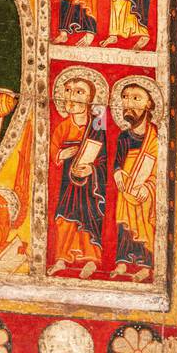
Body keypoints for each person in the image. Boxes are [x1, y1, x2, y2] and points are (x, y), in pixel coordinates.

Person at [48, 76, 107, 278]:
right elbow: (52, 151)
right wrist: (61, 155)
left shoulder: (98, 123)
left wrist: (92, 169)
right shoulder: (63, 126)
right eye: (68, 91)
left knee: (90, 218)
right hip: (68, 183)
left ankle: (91, 260)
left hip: (91, 185)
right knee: (64, 218)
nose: (72, 97)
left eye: (79, 92)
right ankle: (62, 259)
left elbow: (104, 156)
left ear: (90, 98)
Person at [111, 83, 158, 282]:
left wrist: (148, 187)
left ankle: (146, 266)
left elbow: (160, 167)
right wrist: (118, 173)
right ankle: (122, 262)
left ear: (149, 103)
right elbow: (117, 162)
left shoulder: (156, 137)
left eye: (136, 98)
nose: (128, 103)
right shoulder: (123, 136)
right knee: (125, 226)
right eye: (125, 97)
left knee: (145, 225)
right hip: (126, 189)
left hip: (145, 191)